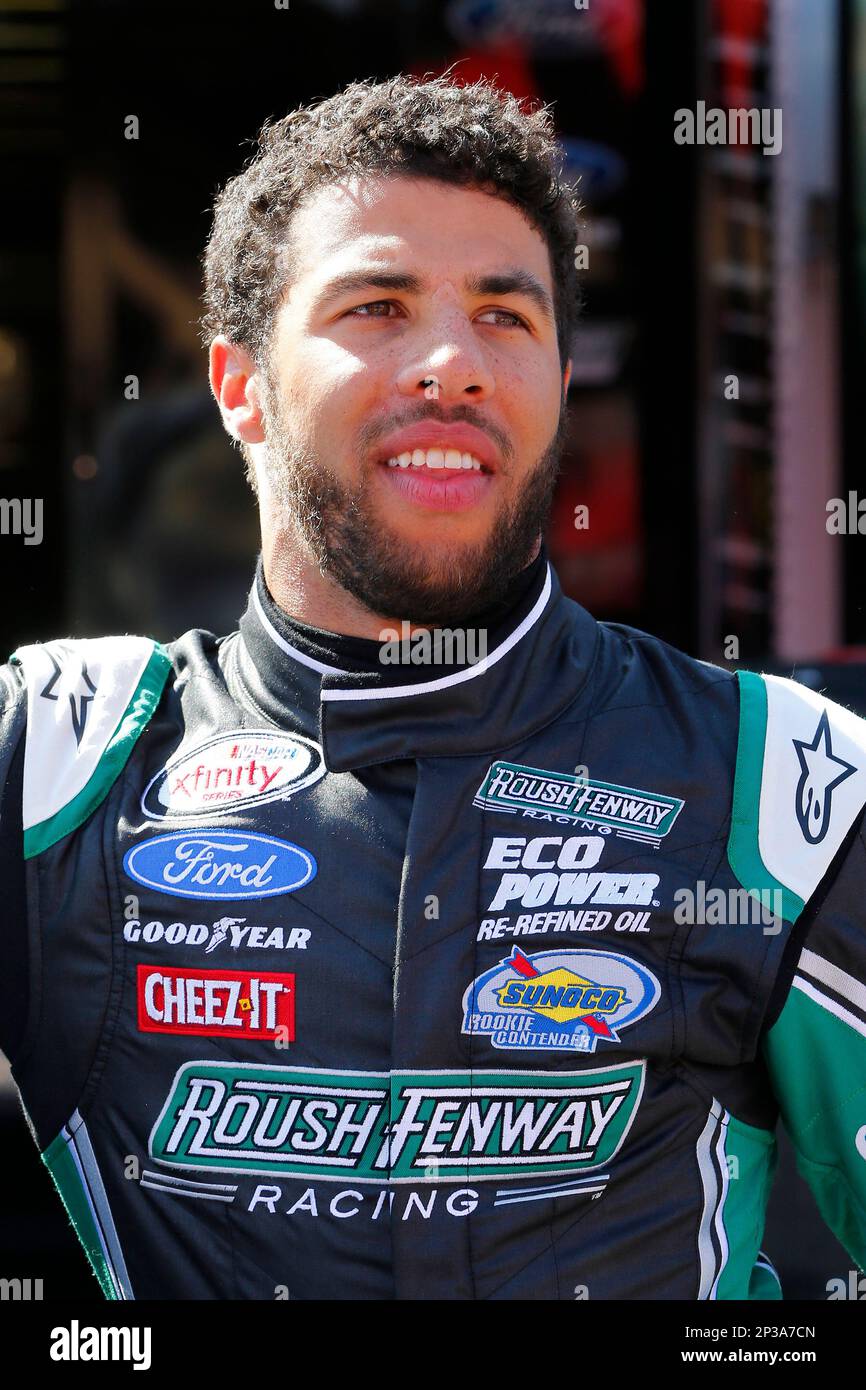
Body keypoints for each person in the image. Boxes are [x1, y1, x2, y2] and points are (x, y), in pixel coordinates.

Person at [1, 72, 865, 1301]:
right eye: (378, 305)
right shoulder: (57, 764)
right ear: (240, 388)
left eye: (506, 317)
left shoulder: (781, 779)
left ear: (560, 385)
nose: (452, 364)